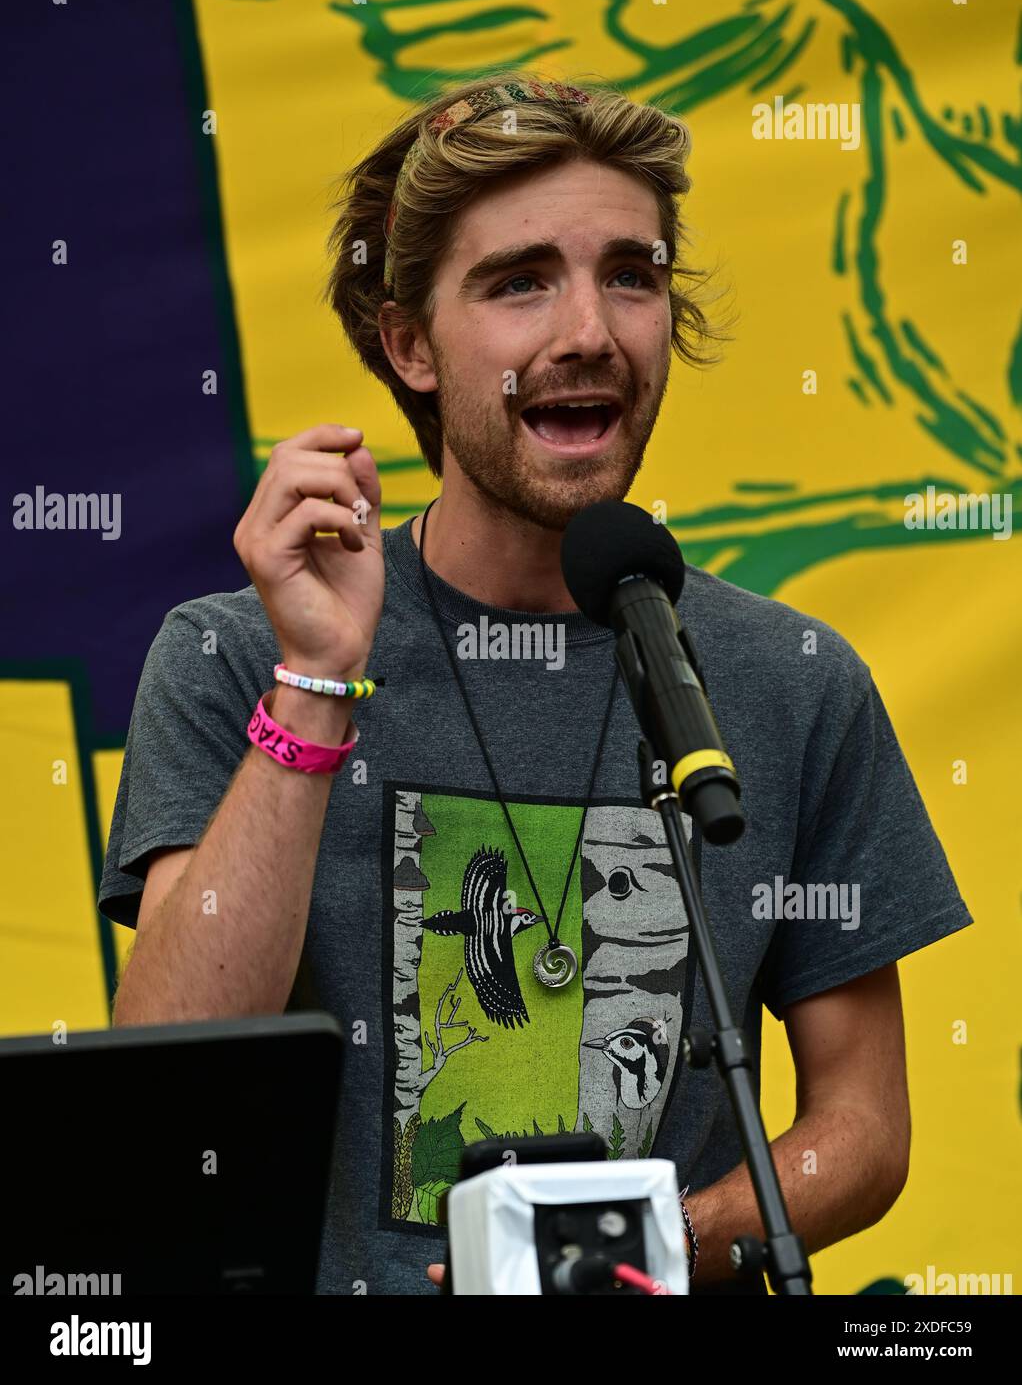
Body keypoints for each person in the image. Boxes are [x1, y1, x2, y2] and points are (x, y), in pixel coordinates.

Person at [98, 73, 973, 1296]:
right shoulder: (232, 656)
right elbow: (173, 1101)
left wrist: (618, 1260)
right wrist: (315, 683)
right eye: (518, 282)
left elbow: (863, 1129)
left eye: (631, 273)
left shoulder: (793, 679)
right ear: (408, 344)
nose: (589, 332)